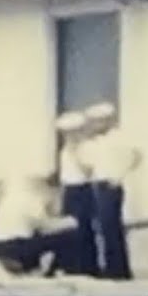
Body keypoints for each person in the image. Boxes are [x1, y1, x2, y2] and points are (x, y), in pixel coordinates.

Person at [81, 102, 141, 280]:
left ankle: (118, 270)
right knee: (105, 228)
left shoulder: (119, 138)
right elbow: (88, 163)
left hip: (111, 186)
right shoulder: (95, 142)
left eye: (98, 122)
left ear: (107, 121)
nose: (95, 126)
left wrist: (120, 176)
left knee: (112, 228)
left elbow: (136, 157)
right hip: (99, 184)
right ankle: (111, 266)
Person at [0, 174, 77, 274]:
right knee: (68, 236)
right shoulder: (36, 198)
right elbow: (45, 227)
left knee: (38, 237)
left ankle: (40, 267)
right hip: (15, 246)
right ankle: (61, 270)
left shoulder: (16, 195)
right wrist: (70, 222)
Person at [55, 111, 99, 276]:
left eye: (70, 132)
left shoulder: (84, 148)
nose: (68, 136)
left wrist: (76, 155)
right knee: (69, 229)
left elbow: (88, 170)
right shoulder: (65, 149)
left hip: (82, 189)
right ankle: (71, 265)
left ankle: (87, 267)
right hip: (69, 189)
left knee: (83, 229)